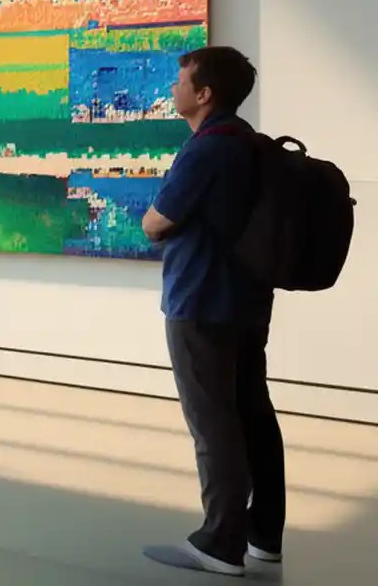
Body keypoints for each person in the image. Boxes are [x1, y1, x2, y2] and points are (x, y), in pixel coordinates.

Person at [140, 46, 282, 578]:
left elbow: (157, 221)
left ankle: (221, 541)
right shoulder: (247, 143)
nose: (173, 88)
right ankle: (264, 535)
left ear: (204, 94)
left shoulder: (205, 150)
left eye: (181, 81)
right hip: (247, 301)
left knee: (213, 421)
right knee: (253, 414)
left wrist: (154, 221)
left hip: (200, 301)